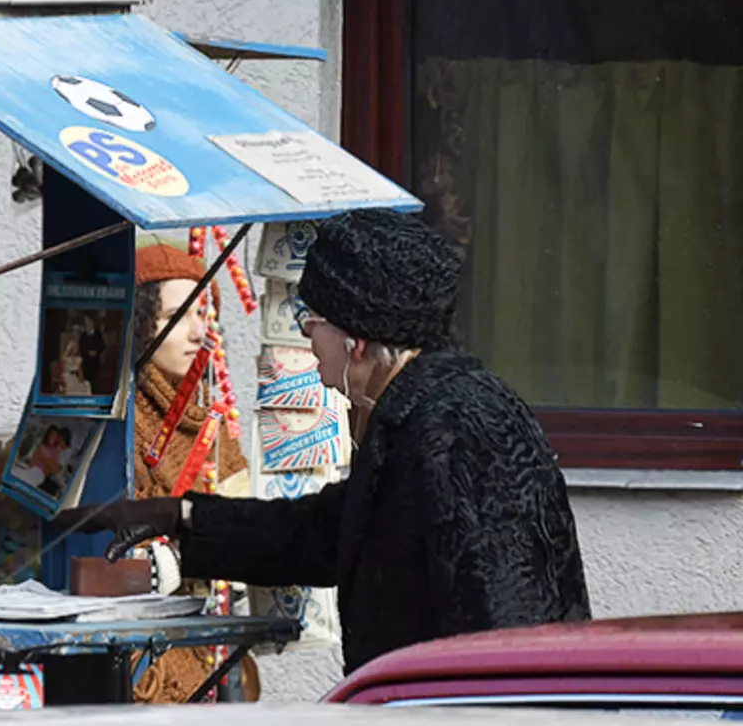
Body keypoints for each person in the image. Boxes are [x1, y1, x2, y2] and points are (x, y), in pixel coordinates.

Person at [58, 209, 591, 676]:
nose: (307, 340)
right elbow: (320, 534)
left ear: (354, 341)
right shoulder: (414, 417)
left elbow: (504, 625)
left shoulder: (459, 428)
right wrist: (179, 517)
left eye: (311, 321)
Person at [118, 242, 257, 703]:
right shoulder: (113, 426)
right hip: (133, 664)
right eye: (178, 316)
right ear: (139, 325)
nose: (197, 332)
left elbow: (249, 540)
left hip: (211, 661)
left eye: (205, 315)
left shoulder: (216, 429)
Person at [78, 315, 106, 392]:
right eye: (86, 322)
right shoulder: (83, 336)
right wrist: (87, 353)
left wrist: (96, 352)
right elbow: (81, 348)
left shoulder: (98, 335)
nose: (88, 324)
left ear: (93, 323)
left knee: (96, 383)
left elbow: (102, 346)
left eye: (89, 322)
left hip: (95, 364)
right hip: (86, 364)